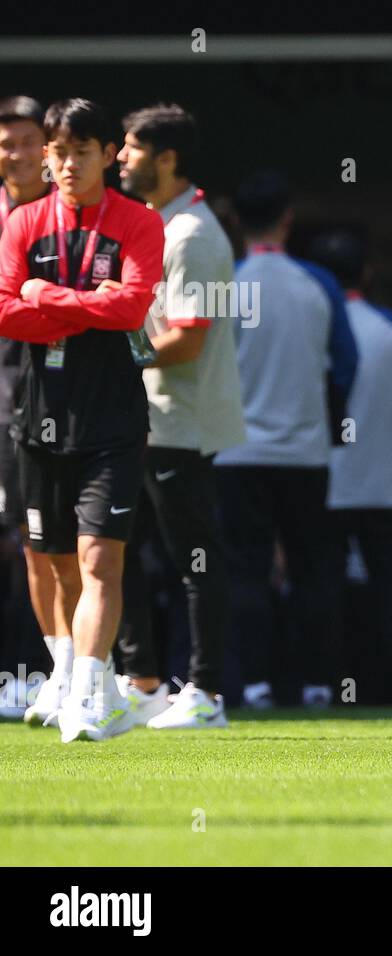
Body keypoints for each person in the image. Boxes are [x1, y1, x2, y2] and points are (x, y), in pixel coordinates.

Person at [0, 98, 164, 742]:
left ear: (105, 155)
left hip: (113, 418)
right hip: (38, 412)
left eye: (82, 152)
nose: (68, 165)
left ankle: (95, 692)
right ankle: (65, 675)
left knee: (100, 560)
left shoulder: (137, 223)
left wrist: (48, 297)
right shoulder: (24, 222)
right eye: (58, 153)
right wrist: (82, 306)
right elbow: (6, 312)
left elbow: (131, 308)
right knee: (49, 557)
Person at [110, 103, 246, 729]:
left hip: (178, 425)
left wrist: (109, 361)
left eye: (131, 148)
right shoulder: (159, 222)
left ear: (166, 159)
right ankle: (141, 683)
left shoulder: (190, 233)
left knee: (195, 560)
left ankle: (207, 693)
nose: (119, 158)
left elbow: (188, 339)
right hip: (147, 421)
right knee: (121, 552)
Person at [215, 170, 356, 709]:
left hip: (237, 452)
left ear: (236, 222)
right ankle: (318, 683)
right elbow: (346, 363)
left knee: (246, 569)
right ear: (288, 219)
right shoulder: (317, 283)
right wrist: (331, 419)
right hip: (304, 451)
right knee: (313, 569)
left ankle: (253, 683)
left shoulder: (227, 280)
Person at [309, 229, 392, 705]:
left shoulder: (313, 323)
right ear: (366, 272)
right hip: (389, 483)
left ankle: (325, 687)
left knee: (323, 588)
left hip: (322, 482)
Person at [0, 95, 56, 706]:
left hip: (50, 400)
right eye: (4, 145)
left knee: (43, 543)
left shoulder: (62, 220)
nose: (13, 156)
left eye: (25, 144)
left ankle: (35, 677)